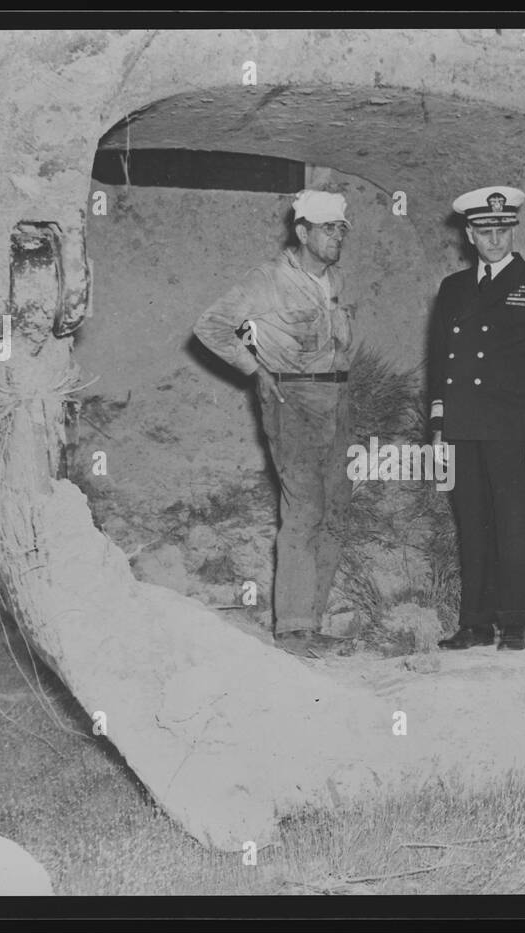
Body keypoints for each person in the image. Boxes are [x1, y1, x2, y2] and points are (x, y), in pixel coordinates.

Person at [192, 190, 361, 655]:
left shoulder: (335, 280)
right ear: (302, 232)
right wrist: (256, 371)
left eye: (341, 228)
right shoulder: (266, 280)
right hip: (294, 399)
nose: (336, 236)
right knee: (305, 509)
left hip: (338, 398)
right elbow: (210, 327)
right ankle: (292, 629)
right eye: (327, 228)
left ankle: (313, 619)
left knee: (335, 509)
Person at [428, 186, 525, 652]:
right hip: (465, 427)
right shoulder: (452, 289)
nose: (495, 240)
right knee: (473, 524)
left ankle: (514, 621)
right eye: (486, 231)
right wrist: (438, 426)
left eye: (503, 230)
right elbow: (439, 362)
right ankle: (474, 622)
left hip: (516, 430)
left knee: (516, 522)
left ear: (512, 230)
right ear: (470, 234)